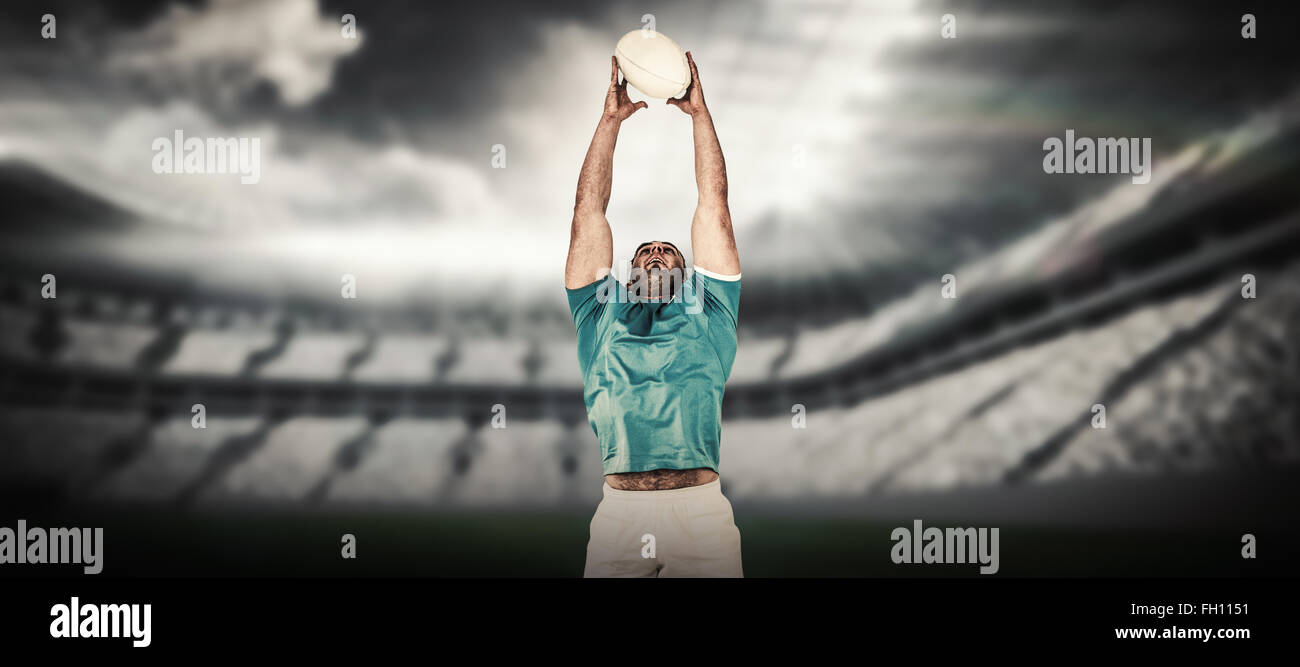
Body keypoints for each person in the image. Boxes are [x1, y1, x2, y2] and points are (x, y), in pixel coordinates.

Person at [565, 52, 743, 577]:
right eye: (646, 250)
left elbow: (714, 207)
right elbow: (587, 215)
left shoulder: (710, 311)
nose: (658, 253)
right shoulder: (600, 314)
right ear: (628, 271)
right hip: (621, 514)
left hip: (702, 515)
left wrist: (700, 118)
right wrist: (609, 122)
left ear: (690, 275)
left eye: (670, 250)